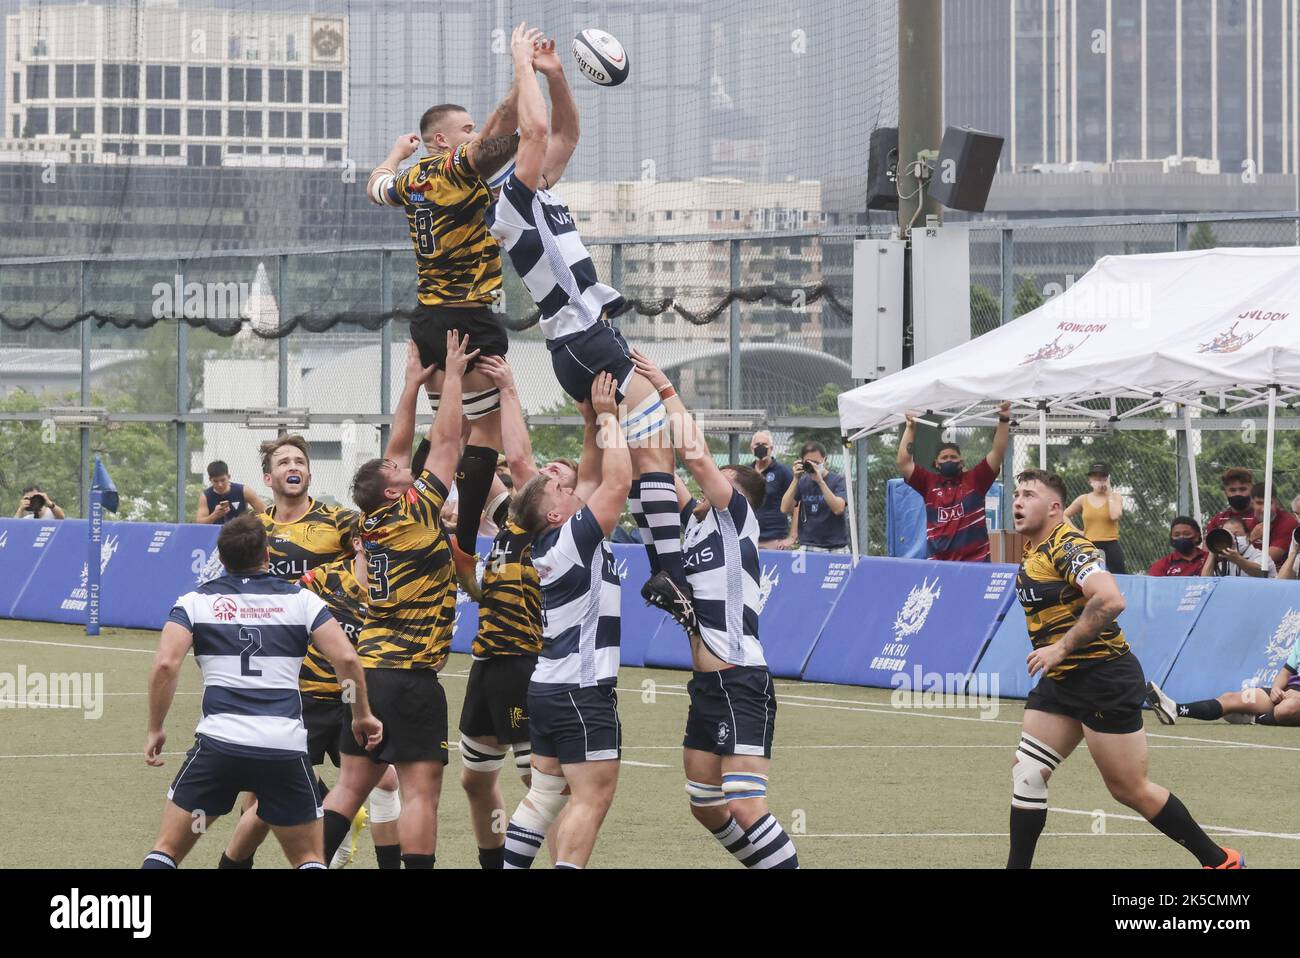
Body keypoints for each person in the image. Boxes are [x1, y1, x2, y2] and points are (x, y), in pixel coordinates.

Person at [485, 25, 696, 631]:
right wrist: (521, 63)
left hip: (587, 338)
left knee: (649, 447)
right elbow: (535, 131)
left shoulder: (535, 188)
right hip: (582, 338)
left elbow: (565, 133)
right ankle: (669, 569)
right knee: (653, 447)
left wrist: (555, 76)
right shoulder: (506, 201)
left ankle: (668, 567)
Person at [1005, 468, 1240, 869]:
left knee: (1130, 789)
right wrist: (1059, 655)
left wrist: (1060, 647)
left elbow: (1111, 599)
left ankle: (1221, 862)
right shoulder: (1035, 548)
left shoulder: (1068, 547)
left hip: (1103, 679)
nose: (1018, 501)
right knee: (1027, 770)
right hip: (1062, 681)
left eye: (1029, 494)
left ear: (1055, 507)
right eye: (1017, 494)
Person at [633, 349, 799, 868]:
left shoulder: (737, 518)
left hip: (739, 676)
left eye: (718, 479)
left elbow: (695, 457)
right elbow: (659, 471)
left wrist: (665, 388)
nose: (706, 484)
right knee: (705, 805)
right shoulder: (697, 525)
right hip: (707, 685)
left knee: (745, 805)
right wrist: (623, 410)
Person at [141, 513, 382, 869]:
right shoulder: (302, 601)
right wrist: (361, 715)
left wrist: (155, 728)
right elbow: (346, 659)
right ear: (267, 555)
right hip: (282, 748)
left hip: (219, 745)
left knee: (166, 851)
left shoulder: (194, 602)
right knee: (308, 859)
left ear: (222, 559)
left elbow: (165, 665)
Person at [365, 57, 522, 589]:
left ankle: (414, 524)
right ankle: (465, 545)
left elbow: (376, 186)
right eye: (465, 128)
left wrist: (396, 152)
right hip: (468, 317)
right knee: (484, 432)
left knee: (447, 434)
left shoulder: (412, 178)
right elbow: (496, 136)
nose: (474, 135)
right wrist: (523, 83)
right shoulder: (454, 168)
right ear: (441, 139)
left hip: (429, 319)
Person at [319, 334, 474, 870]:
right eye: (401, 476)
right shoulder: (415, 512)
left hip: (368, 675)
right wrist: (453, 374)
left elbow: (399, 449)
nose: (408, 470)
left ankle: (310, 864)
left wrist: (410, 385)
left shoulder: (372, 520)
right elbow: (447, 440)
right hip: (409, 678)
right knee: (421, 793)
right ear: (394, 492)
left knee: (349, 787)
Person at [500, 372, 630, 869]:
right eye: (559, 488)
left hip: (549, 687)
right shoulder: (574, 536)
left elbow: (592, 479)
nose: (568, 484)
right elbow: (616, 482)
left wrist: (590, 422)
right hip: (582, 688)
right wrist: (611, 419)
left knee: (544, 797)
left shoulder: (553, 540)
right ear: (554, 514)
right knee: (591, 798)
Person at [459, 354, 580, 868]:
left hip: (523, 666)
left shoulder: (552, 536)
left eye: (561, 479)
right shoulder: (513, 522)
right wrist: (462, 399)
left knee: (543, 785)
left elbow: (520, 457)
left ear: (562, 505)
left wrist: (509, 389)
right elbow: (480, 466)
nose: (549, 474)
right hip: (488, 663)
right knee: (474, 778)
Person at [896, 404, 1011, 562]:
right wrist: (910, 428)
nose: (949, 460)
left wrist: (1004, 420)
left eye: (953, 457)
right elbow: (903, 463)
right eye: (944, 458)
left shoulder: (975, 480)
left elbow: (997, 452)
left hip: (975, 563)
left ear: (961, 462)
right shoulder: (928, 482)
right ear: (936, 463)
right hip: (938, 565)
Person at [1146, 651, 1300, 727]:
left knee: (1287, 708)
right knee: (1230, 698)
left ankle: (1252, 718)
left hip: (1294, 700)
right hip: (1288, 691)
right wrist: (1276, 688)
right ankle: (1175, 709)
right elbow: (1285, 673)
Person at [781, 441, 849, 553]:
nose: (813, 467)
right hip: (808, 544)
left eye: (816, 463)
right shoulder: (802, 482)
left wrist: (820, 482)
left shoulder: (838, 481)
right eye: (809, 463)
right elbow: (785, 508)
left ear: (825, 461)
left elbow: (838, 509)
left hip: (835, 546)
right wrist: (795, 479)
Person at [1064, 462, 1125, 574]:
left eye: (1102, 477)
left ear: (1108, 478)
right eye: (1095, 477)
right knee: (1092, 575)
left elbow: (1115, 515)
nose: (1099, 480)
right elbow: (1064, 515)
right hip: (1091, 545)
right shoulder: (1083, 499)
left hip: (1111, 544)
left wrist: (1109, 492)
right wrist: (1077, 532)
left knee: (1118, 577)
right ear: (1090, 480)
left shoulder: (1115, 497)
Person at [750, 431, 796, 550]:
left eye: (764, 444)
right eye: (757, 444)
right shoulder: (746, 473)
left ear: (771, 448)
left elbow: (797, 505)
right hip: (749, 539)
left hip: (775, 541)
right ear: (751, 448)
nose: (761, 447)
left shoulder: (783, 472)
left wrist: (792, 537)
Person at [1200, 515, 1274, 578]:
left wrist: (1237, 559)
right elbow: (1206, 581)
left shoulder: (1261, 556)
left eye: (1235, 534)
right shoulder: (1225, 564)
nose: (1232, 539)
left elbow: (1261, 573)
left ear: (1248, 536)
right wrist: (1213, 551)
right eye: (1228, 536)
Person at [196, 461, 266, 525]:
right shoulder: (205, 496)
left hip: (241, 531)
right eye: (215, 481)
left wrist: (252, 523)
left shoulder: (244, 490)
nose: (220, 484)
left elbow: (264, 512)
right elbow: (199, 523)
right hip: (215, 532)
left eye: (223, 480)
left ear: (229, 477)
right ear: (210, 479)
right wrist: (215, 515)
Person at [1247, 482, 1297, 567]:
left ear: (1276, 503)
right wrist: (1251, 538)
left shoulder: (1288, 522)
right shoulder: (1251, 521)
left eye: (1269, 503)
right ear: (1252, 504)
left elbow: (1265, 562)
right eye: (1259, 503)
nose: (1264, 509)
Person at [1205, 467, 1256, 534]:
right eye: (1232, 490)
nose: (1238, 493)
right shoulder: (1217, 521)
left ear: (1252, 490)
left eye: (1243, 489)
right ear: (1225, 493)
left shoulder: (1263, 518)